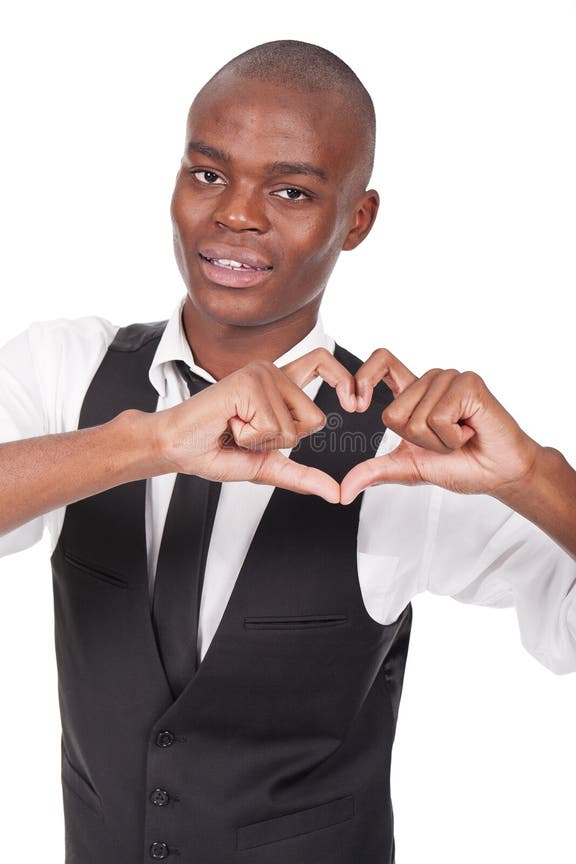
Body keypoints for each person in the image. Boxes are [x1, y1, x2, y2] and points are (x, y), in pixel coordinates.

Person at [0, 39, 574, 864]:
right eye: (207, 174)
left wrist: (535, 476)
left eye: (293, 190)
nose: (236, 214)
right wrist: (152, 442)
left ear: (358, 220)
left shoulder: (403, 447)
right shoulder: (69, 369)